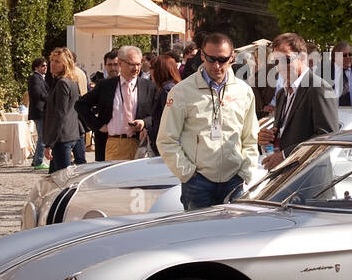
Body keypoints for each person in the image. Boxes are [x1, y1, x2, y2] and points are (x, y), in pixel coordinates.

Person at [156, 32, 259, 210]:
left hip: (234, 182)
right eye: (210, 59)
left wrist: (246, 173)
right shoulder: (182, 92)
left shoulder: (244, 91)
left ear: (232, 57)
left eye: (222, 59)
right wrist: (188, 173)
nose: (216, 65)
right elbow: (166, 139)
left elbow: (250, 137)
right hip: (197, 184)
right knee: (199, 236)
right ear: (202, 55)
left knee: (235, 236)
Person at [262, 33, 338, 170]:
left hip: (309, 177)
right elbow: (284, 136)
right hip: (286, 176)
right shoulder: (281, 94)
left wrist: (285, 155)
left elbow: (327, 137)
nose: (280, 66)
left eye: (286, 60)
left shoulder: (319, 87)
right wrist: (266, 138)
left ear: (302, 58)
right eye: (276, 61)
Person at [75, 45, 156, 161]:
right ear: (120, 63)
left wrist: (144, 122)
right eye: (132, 64)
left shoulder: (149, 87)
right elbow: (80, 105)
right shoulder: (106, 86)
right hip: (111, 143)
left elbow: (159, 114)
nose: (136, 68)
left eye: (139, 64)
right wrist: (98, 126)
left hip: (140, 145)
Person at [42, 48, 83, 174]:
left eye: (57, 62)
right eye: (52, 61)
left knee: (63, 178)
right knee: (54, 178)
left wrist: (50, 143)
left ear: (65, 64)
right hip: (68, 135)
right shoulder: (70, 82)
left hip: (62, 137)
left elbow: (60, 114)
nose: (52, 64)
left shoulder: (63, 83)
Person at [147, 52, 181, 155]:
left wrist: (150, 131)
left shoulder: (167, 90)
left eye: (151, 68)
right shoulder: (173, 87)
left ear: (159, 70)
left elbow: (169, 121)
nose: (150, 72)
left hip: (166, 148)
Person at [26, 58, 49, 170]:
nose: (45, 67)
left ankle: (36, 160)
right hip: (40, 111)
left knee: (42, 136)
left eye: (46, 65)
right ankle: (39, 161)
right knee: (43, 137)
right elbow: (37, 94)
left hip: (42, 111)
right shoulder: (35, 78)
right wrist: (50, 97)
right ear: (36, 67)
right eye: (43, 66)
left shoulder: (41, 78)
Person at [331, 41, 352, 106]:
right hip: (333, 113)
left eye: (350, 54)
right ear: (335, 57)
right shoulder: (325, 72)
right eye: (344, 55)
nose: (348, 57)